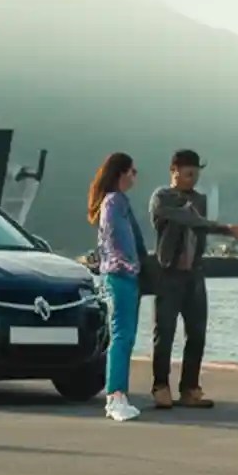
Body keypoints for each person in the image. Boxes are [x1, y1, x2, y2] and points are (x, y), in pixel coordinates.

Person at [148, 149, 238, 409]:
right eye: (188, 174)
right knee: (164, 333)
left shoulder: (200, 199)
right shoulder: (162, 197)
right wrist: (226, 229)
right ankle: (160, 386)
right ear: (174, 171)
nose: (193, 179)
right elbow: (190, 219)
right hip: (168, 273)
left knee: (197, 333)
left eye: (196, 174)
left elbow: (199, 224)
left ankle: (190, 388)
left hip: (194, 273)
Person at [88, 152, 147, 422]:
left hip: (123, 275)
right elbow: (116, 239)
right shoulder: (114, 202)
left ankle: (119, 394)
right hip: (120, 276)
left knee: (126, 335)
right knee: (122, 335)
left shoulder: (117, 201)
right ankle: (115, 396)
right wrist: (131, 265)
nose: (135, 177)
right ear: (121, 173)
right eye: (133, 171)